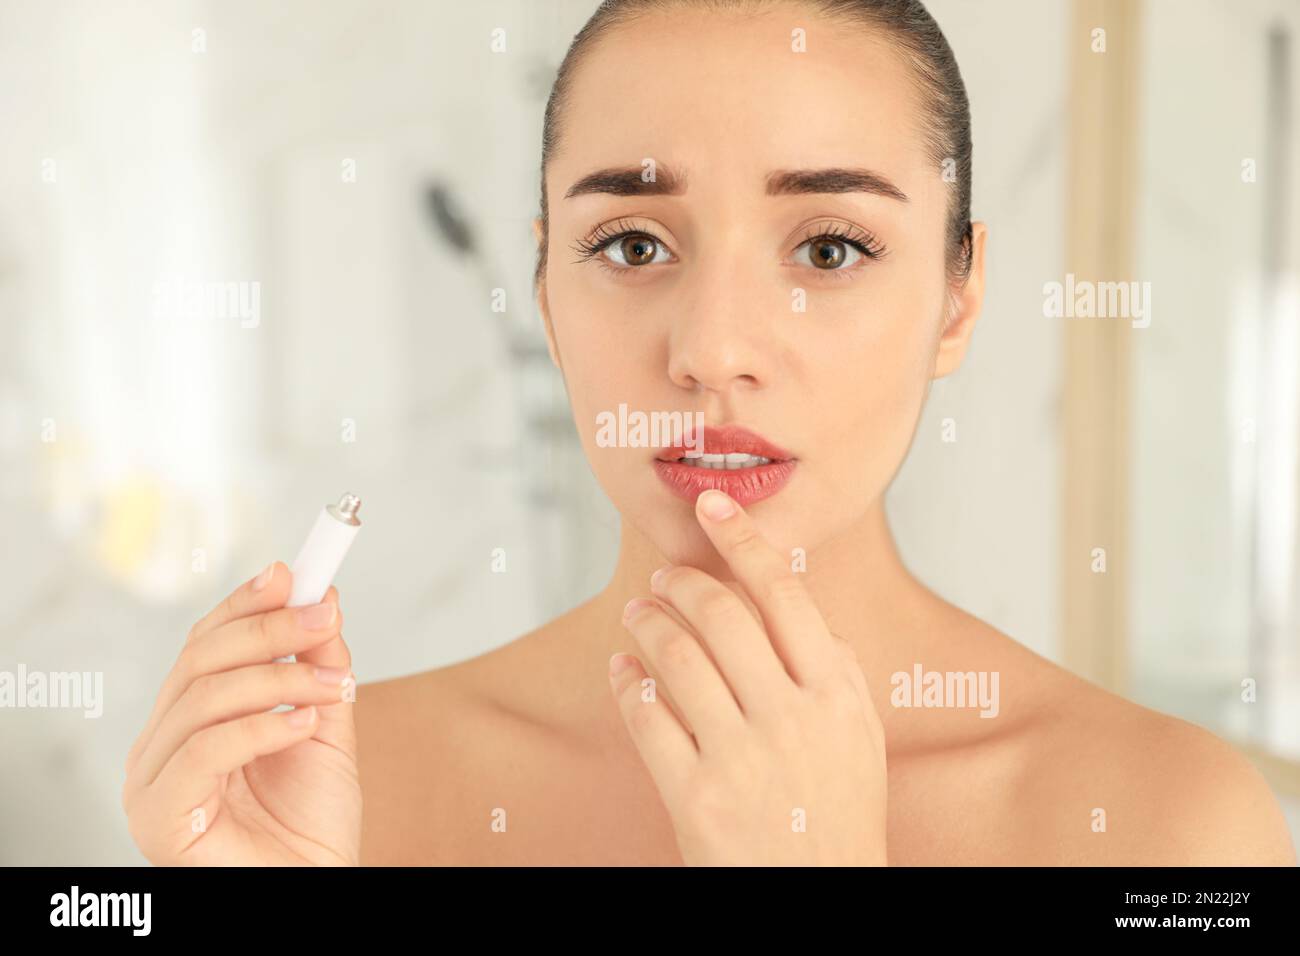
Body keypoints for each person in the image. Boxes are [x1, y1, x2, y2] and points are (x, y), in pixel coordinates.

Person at [123, 0, 1297, 866]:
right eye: (632, 244)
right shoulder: (339, 781)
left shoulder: (1175, 830)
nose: (712, 347)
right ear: (544, 284)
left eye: (829, 247)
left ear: (959, 296)